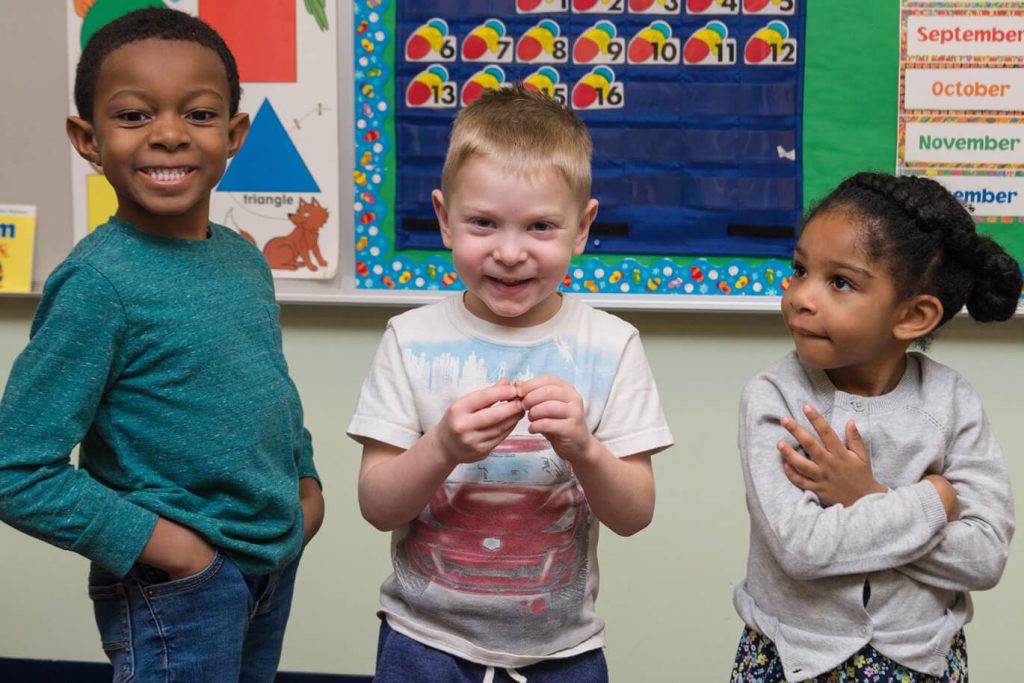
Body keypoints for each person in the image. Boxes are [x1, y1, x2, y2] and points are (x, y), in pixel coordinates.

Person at [0, 8, 324, 681]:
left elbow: (269, 389)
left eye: (200, 115)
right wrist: (179, 552)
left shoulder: (244, 259)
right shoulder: (97, 284)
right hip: (178, 585)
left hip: (270, 564)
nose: (170, 135)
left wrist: (305, 480)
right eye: (135, 115)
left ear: (235, 134)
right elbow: (15, 469)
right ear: (87, 139)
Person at [347, 84, 673, 682]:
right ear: (445, 220)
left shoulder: (611, 345)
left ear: (582, 227)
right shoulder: (409, 338)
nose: (510, 251)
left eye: (541, 227)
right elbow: (376, 505)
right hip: (423, 644)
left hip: (564, 653)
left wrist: (584, 449)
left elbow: (634, 515)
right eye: (484, 223)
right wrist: (442, 447)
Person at [731, 171, 1020, 682]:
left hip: (923, 663)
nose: (801, 295)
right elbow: (803, 549)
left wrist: (865, 495)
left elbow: (984, 558)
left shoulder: (952, 402)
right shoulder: (776, 396)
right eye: (800, 270)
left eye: (840, 282)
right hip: (791, 660)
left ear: (913, 315)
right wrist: (933, 500)